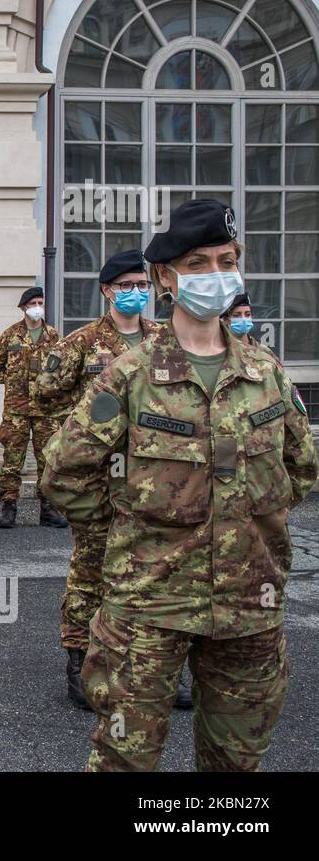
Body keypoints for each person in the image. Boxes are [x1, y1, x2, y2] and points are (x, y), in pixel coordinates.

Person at [41, 198, 317, 771]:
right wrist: (127, 528)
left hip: (249, 604)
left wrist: (254, 529)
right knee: (125, 759)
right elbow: (66, 469)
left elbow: (301, 467)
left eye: (226, 259)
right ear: (166, 278)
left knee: (236, 763)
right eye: (197, 263)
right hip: (149, 603)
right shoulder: (132, 373)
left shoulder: (266, 374)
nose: (216, 275)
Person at [34, 249, 160, 709]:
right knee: (90, 573)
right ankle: (80, 662)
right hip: (99, 482)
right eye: (126, 285)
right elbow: (45, 399)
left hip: (154, 483)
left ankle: (151, 667)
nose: (136, 293)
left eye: (142, 285)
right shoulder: (79, 344)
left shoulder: (164, 341)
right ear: (108, 290)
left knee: (155, 574)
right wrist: (68, 457)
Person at [0, 287, 68, 529]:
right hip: (17, 409)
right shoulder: (11, 335)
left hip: (46, 410)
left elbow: (64, 368)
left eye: (40, 302)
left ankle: (48, 510)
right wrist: (13, 384)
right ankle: (8, 507)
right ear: (23, 307)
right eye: (32, 302)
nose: (37, 307)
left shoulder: (53, 336)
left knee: (48, 460)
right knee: (12, 461)